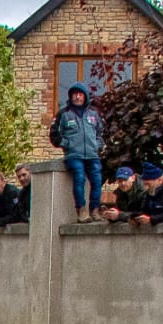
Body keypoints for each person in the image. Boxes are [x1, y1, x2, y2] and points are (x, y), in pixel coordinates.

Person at [50, 84, 106, 222]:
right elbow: (54, 134)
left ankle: (95, 210)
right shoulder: (64, 114)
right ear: (71, 96)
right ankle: (81, 210)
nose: (78, 97)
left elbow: (101, 132)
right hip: (74, 155)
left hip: (92, 155)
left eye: (80, 94)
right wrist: (67, 144)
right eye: (75, 94)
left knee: (97, 181)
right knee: (79, 179)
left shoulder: (93, 114)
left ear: (85, 96)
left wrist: (98, 145)